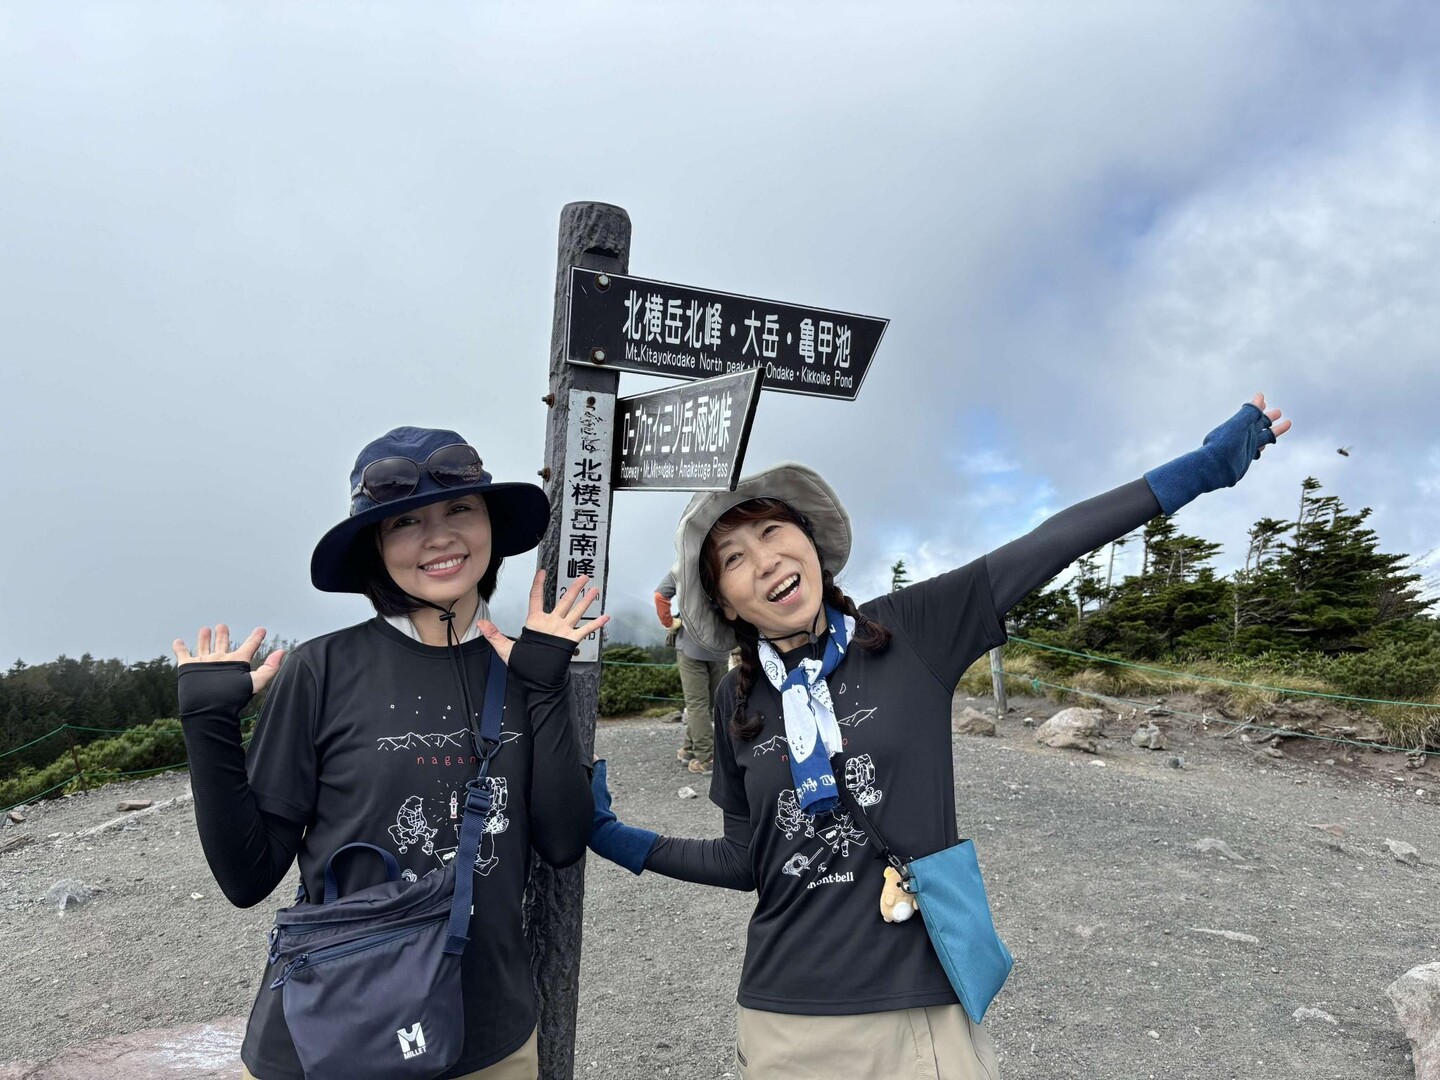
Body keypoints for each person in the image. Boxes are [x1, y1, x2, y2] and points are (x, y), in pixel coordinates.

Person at [588, 396, 1290, 1079]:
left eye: (772, 532)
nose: (765, 560)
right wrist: (613, 836)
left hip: (917, 1015)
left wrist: (1204, 468)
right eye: (733, 558)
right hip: (783, 1023)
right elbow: (747, 861)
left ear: (808, 541)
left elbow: (1049, 542)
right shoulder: (737, 699)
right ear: (724, 601)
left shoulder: (909, 630)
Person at [172, 426, 602, 1080]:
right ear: (376, 547)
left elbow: (564, 840)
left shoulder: (524, 669)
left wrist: (545, 687)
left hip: (489, 1040)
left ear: (489, 523)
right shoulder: (321, 670)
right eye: (405, 521)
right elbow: (247, 876)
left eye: (460, 509)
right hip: (337, 1035)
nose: (439, 536)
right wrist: (207, 726)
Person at [655, 564, 730, 774]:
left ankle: (706, 758)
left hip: (691, 645)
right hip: (719, 644)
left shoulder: (683, 567)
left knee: (697, 704)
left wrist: (670, 623)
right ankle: (689, 748)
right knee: (711, 701)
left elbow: (661, 597)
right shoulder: (722, 564)